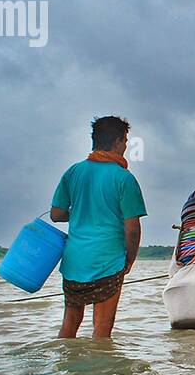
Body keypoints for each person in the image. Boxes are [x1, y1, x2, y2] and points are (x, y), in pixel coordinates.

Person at [49, 115, 147, 339]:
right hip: (108, 261)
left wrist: (82, 211)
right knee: (102, 328)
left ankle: (66, 369)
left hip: (74, 261)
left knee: (70, 323)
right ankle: (99, 372)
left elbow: (56, 214)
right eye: (125, 141)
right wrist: (129, 260)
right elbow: (132, 229)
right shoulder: (124, 179)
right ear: (117, 142)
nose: (125, 146)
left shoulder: (73, 172)